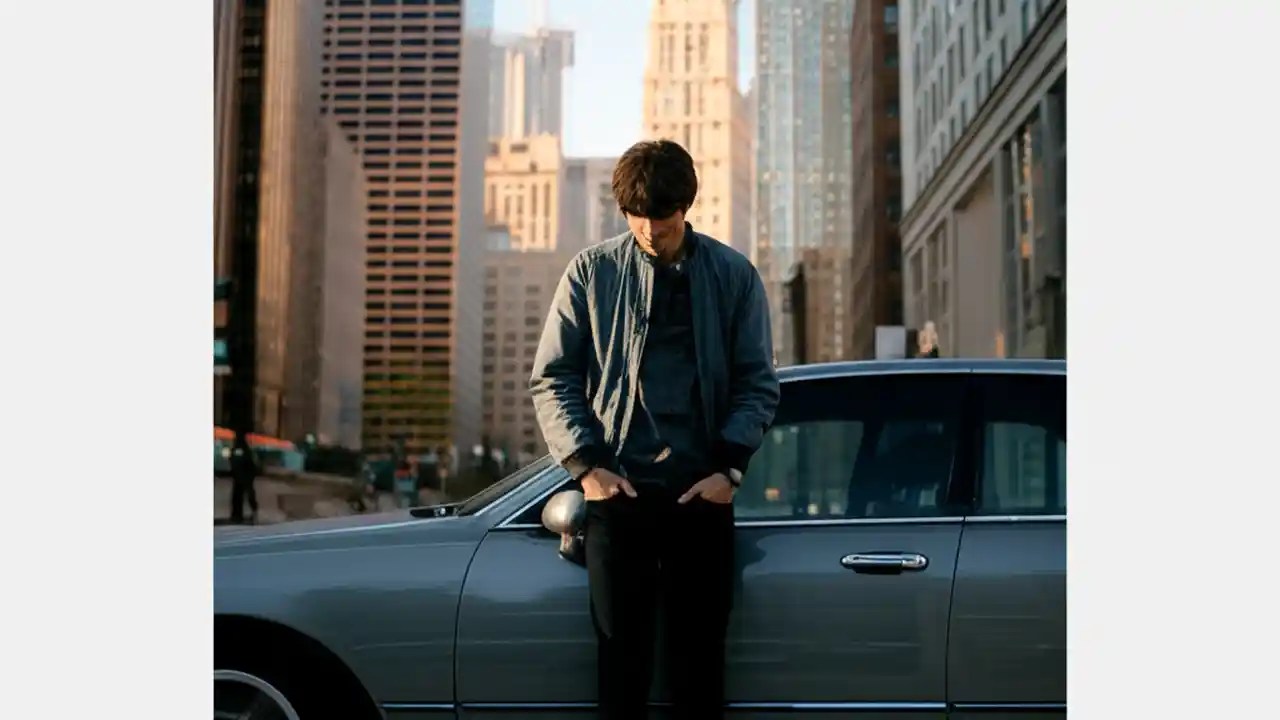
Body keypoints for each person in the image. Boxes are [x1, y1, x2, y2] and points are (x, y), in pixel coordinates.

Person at [529, 139, 780, 720]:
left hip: (702, 498)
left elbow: (758, 383)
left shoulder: (734, 276)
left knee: (699, 676)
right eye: (635, 217)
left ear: (685, 208)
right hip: (620, 499)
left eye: (661, 220)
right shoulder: (591, 273)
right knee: (621, 673)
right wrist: (588, 469)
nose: (648, 230)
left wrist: (728, 469)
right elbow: (553, 378)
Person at [228, 433, 260, 524]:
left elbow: (234, 461)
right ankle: (243, 514)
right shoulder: (245, 449)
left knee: (240, 496)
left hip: (243, 476)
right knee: (243, 495)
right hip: (244, 476)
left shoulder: (238, 449)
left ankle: (238, 515)